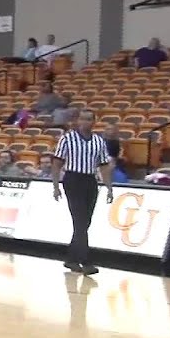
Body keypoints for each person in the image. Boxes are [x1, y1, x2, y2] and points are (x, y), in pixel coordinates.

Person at [50, 110, 114, 276]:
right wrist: (56, 186)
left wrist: (109, 187)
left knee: (85, 222)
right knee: (79, 221)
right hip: (73, 180)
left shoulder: (99, 141)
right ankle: (86, 261)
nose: (86, 122)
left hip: (90, 181)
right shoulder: (67, 138)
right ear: (78, 121)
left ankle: (71, 259)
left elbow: (104, 165)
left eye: (89, 119)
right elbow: (56, 163)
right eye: (83, 119)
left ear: (94, 122)